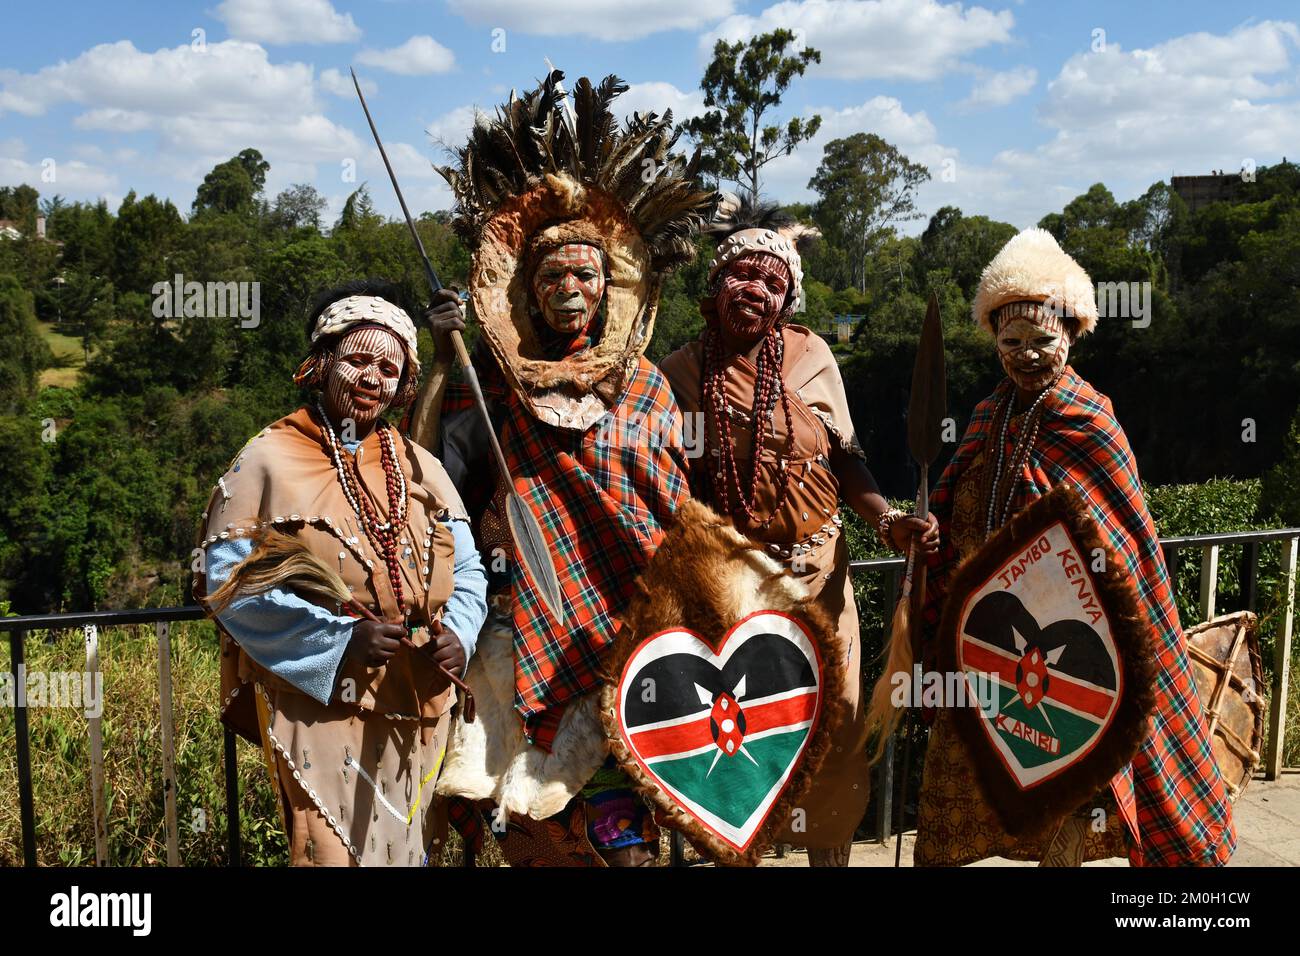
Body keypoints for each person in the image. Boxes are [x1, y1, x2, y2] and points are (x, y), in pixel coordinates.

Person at [410, 71, 716, 866]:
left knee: (633, 837)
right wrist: (445, 359)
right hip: (535, 614)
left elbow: (674, 498)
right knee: (533, 818)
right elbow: (432, 470)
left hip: (635, 619)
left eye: (584, 274)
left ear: (609, 288)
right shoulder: (497, 390)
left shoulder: (647, 384)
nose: (569, 289)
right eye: (550, 277)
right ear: (528, 295)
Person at [909, 228, 1235, 866]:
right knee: (956, 800)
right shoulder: (985, 415)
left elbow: (1123, 547)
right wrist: (928, 532)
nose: (1026, 355)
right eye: (1011, 343)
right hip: (985, 646)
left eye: (1042, 341)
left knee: (1063, 808)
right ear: (994, 342)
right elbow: (951, 509)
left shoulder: (1092, 419)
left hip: (1069, 654)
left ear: (1073, 334)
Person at [660, 200, 938, 866]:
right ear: (714, 284)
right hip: (729, 593)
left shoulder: (813, 355)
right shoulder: (676, 374)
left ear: (787, 300)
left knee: (831, 738)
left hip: (821, 577)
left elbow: (846, 459)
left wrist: (891, 521)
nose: (754, 290)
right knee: (739, 743)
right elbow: (664, 484)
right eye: (741, 276)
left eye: (772, 282)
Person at [194, 279, 488, 866]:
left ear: (403, 384)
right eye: (357, 360)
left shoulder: (418, 464)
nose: (371, 378)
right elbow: (225, 580)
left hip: (418, 697)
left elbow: (471, 565)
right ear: (322, 363)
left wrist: (459, 631)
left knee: (411, 852)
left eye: (388, 367)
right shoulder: (269, 457)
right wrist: (339, 640)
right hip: (320, 701)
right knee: (330, 853)